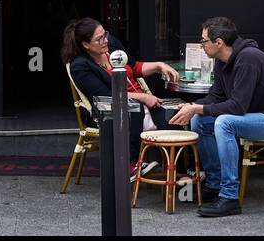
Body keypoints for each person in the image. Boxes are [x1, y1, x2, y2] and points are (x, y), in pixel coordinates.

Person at [167, 16, 264, 218]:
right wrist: (192, 106)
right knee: (199, 120)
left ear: (218, 42)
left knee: (224, 122)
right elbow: (216, 97)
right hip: (256, 115)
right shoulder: (222, 59)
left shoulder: (248, 58)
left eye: (203, 41)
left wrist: (196, 109)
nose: (201, 45)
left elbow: (237, 106)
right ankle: (214, 184)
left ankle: (229, 197)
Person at [61, 17, 180, 168]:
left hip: (143, 104)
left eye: (105, 34)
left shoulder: (112, 47)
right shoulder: (80, 66)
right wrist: (143, 97)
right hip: (111, 111)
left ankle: (178, 173)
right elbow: (105, 96)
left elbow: (135, 67)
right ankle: (130, 165)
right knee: (133, 109)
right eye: (99, 39)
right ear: (86, 45)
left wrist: (159, 66)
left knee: (173, 121)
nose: (105, 40)